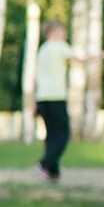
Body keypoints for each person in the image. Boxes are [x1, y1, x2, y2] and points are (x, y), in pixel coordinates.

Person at [32, 21, 75, 182]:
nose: (65, 34)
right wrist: (102, 55)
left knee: (51, 135)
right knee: (63, 134)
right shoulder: (59, 46)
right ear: (54, 32)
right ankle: (43, 164)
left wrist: (33, 101)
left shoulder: (42, 50)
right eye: (63, 31)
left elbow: (35, 77)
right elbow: (78, 58)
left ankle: (53, 172)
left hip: (42, 97)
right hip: (57, 96)